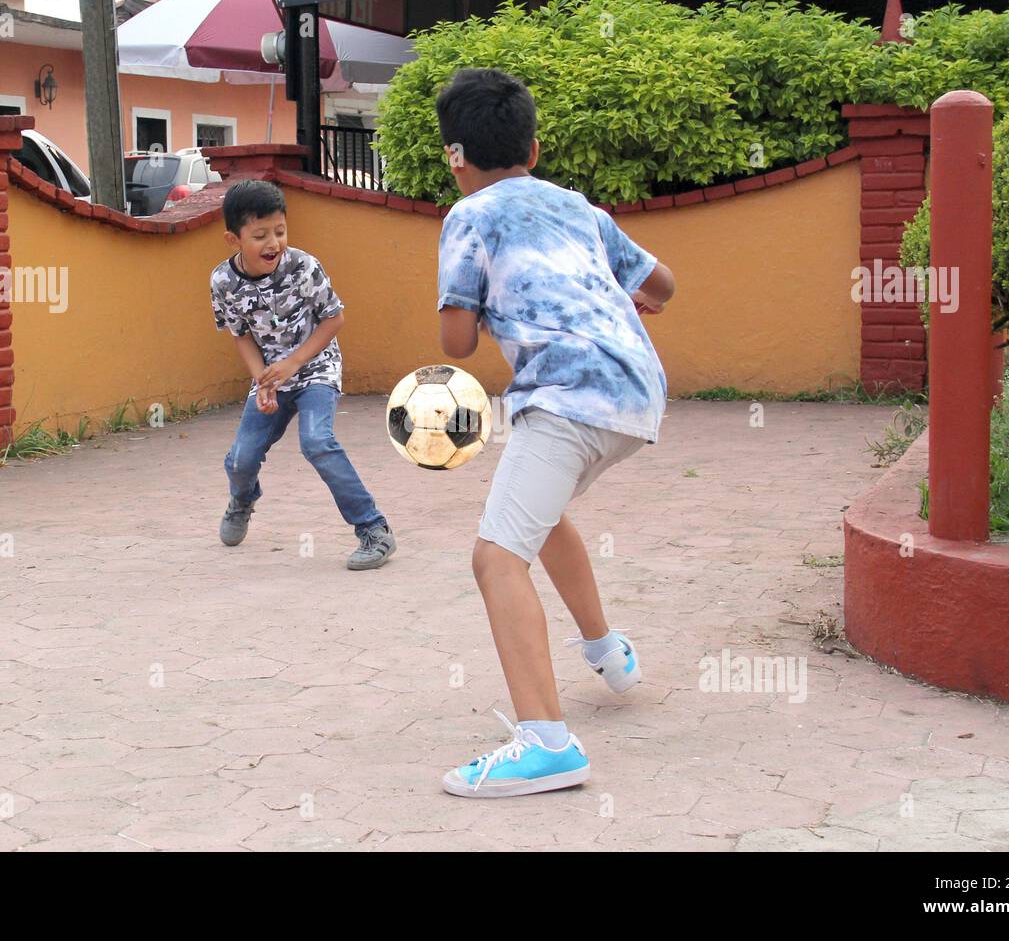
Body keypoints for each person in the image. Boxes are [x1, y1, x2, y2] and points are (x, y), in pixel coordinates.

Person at [433, 68, 675, 797]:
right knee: (542, 517)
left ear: (455, 157)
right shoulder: (580, 209)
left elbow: (456, 342)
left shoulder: (468, 216)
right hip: (637, 393)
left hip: (568, 398)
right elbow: (662, 288)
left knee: (495, 558)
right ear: (534, 149)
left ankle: (546, 744)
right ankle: (607, 651)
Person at [210, 180, 396, 571]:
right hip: (271, 377)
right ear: (233, 239)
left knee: (317, 442)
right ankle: (242, 500)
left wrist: (294, 363)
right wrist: (263, 379)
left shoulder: (304, 267)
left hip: (316, 367)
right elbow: (240, 335)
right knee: (241, 459)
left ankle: (373, 530)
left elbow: (334, 319)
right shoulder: (222, 283)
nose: (273, 242)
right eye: (260, 235)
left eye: (280, 231)